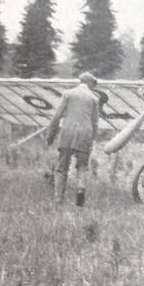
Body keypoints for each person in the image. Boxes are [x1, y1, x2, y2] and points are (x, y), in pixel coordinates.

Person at [47, 72, 99, 206]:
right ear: (90, 83)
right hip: (85, 133)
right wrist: (92, 139)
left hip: (68, 132)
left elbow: (57, 116)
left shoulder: (68, 94)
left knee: (62, 168)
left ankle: (58, 200)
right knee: (82, 166)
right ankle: (81, 187)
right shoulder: (94, 98)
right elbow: (95, 123)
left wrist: (51, 135)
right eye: (93, 85)